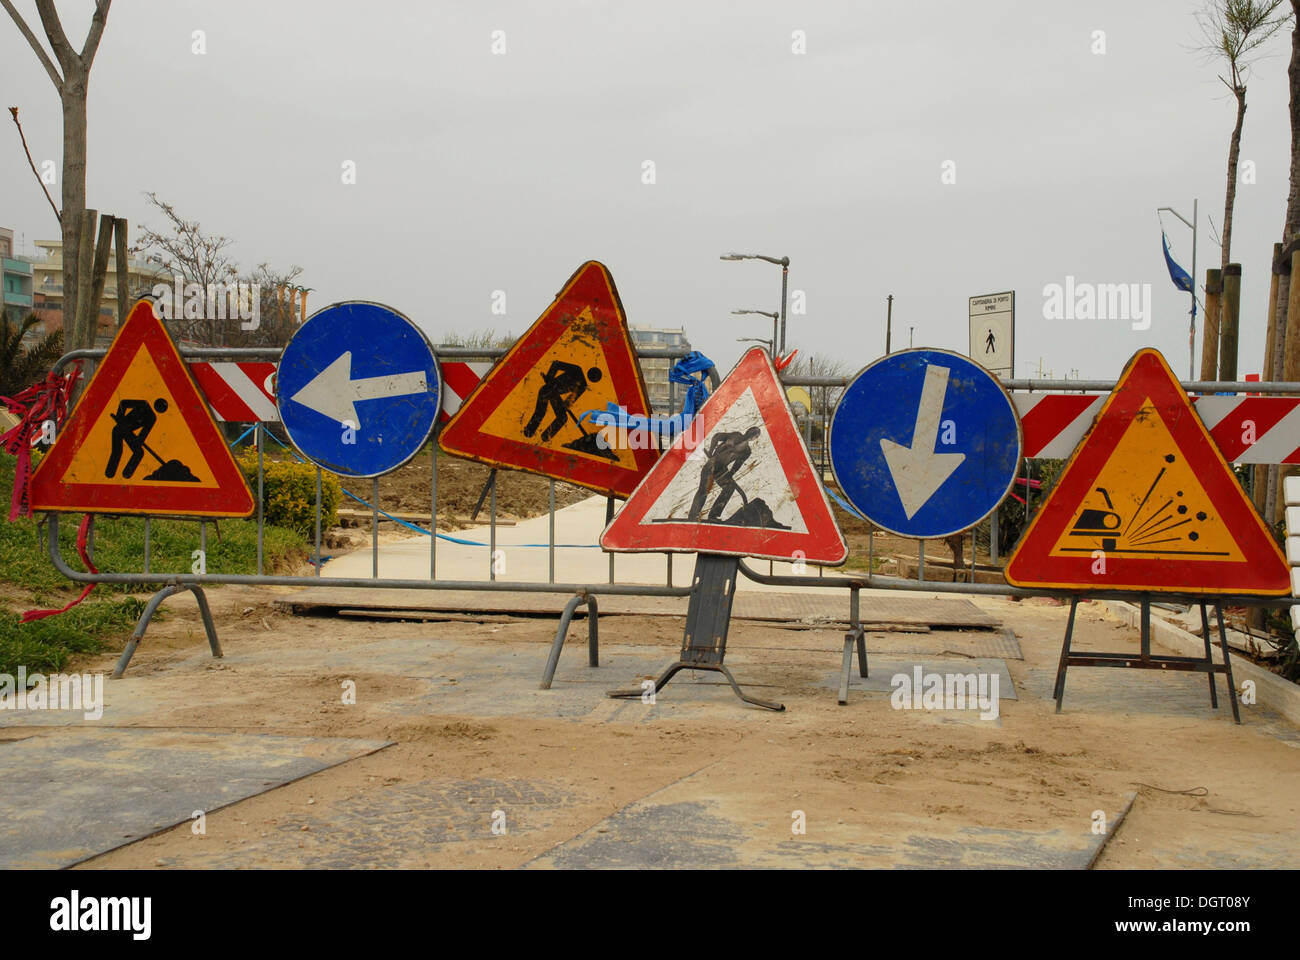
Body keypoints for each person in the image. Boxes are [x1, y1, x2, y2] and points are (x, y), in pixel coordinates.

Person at [689, 426, 761, 522]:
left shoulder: (747, 451)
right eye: (752, 432)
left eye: (755, 435)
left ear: (755, 438)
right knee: (703, 490)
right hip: (712, 463)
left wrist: (730, 475)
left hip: (721, 469)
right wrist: (711, 452)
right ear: (748, 431)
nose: (752, 436)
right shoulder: (736, 435)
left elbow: (737, 465)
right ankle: (693, 516)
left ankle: (713, 516)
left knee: (729, 487)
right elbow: (716, 437)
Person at [523, 361, 601, 442]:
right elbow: (556, 364)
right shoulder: (577, 370)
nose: (594, 377)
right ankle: (529, 432)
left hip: (554, 395)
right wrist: (550, 378)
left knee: (562, 417)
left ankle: (545, 437)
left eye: (596, 377)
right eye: (594, 375)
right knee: (541, 412)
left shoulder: (583, 386)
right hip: (547, 390)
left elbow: (570, 400)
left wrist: (566, 405)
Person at [106, 397, 167, 479]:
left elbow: (142, 436)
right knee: (117, 451)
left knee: (139, 452)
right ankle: (110, 473)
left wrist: (137, 441)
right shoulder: (143, 404)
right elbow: (123, 403)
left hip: (128, 433)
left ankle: (126, 474)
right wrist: (120, 416)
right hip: (119, 429)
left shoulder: (152, 418)